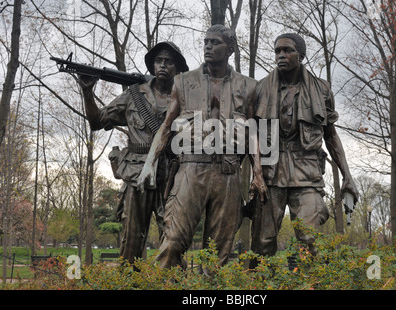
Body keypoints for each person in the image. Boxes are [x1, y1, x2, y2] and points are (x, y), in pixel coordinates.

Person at [137, 25, 267, 269]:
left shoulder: (248, 86)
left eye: (214, 42)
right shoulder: (183, 82)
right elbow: (166, 127)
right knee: (172, 243)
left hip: (228, 173)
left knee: (217, 256)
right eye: (205, 41)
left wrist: (257, 174)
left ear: (229, 49)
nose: (208, 46)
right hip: (190, 168)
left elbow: (252, 132)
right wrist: (148, 164)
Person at [250, 33, 358, 261]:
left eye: (287, 50)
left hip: (307, 172)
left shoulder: (322, 90)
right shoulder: (260, 89)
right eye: (277, 51)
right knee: (263, 242)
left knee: (311, 239)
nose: (281, 55)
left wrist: (347, 175)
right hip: (270, 174)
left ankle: (310, 284)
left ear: (301, 55)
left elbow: (331, 135)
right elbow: (253, 134)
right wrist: (256, 173)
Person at [78, 42, 189, 265]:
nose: (163, 65)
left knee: (173, 237)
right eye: (159, 61)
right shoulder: (134, 95)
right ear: (152, 65)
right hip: (137, 173)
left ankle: (172, 284)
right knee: (131, 240)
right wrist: (87, 91)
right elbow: (97, 121)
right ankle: (129, 281)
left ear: (177, 67)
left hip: (173, 173)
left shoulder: (187, 98)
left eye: (169, 61)